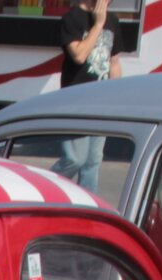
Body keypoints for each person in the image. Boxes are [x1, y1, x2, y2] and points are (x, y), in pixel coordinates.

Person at [52, 0, 121, 191]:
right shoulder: (72, 18)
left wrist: (117, 96)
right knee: (75, 158)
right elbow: (79, 55)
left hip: (102, 103)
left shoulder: (113, 20)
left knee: (92, 162)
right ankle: (43, 187)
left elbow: (114, 62)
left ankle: (87, 204)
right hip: (76, 102)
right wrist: (98, 24)